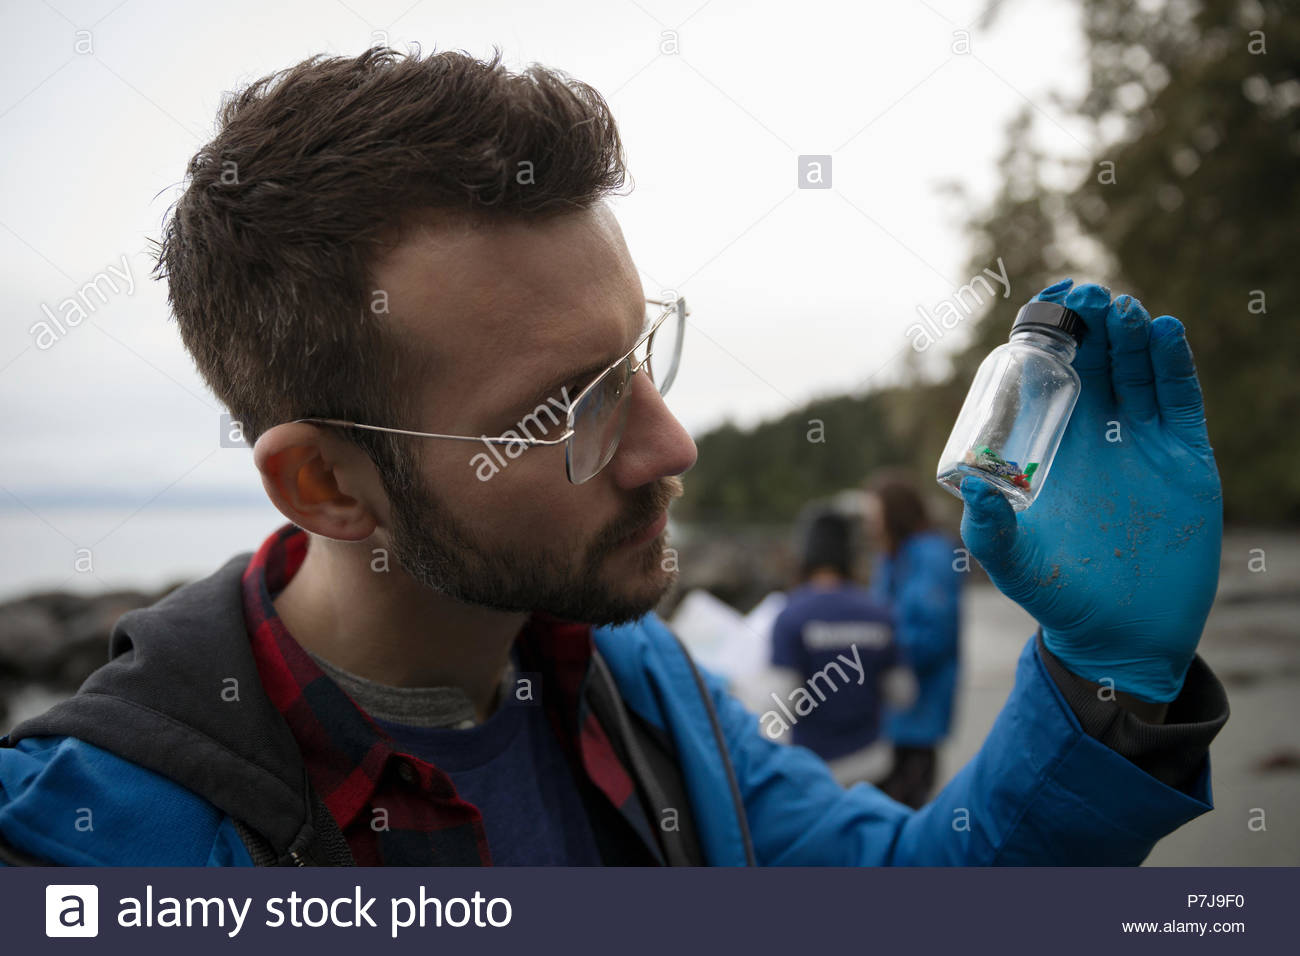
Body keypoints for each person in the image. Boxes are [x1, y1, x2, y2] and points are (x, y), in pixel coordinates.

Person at [0, 47, 1228, 866]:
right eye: (560, 409)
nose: (669, 443)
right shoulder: (83, 842)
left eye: (639, 356)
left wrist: (1099, 676)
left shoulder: (642, 689)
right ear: (326, 482)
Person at [767, 509, 913, 787]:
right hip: (873, 762)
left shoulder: (791, 615)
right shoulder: (881, 613)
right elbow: (903, 695)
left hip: (812, 768)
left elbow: (780, 702)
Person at [863, 474, 962, 809]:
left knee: (904, 808)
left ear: (894, 513)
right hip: (889, 716)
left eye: (874, 514)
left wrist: (876, 656)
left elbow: (933, 634)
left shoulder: (930, 556)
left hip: (918, 714)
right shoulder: (891, 555)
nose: (869, 523)